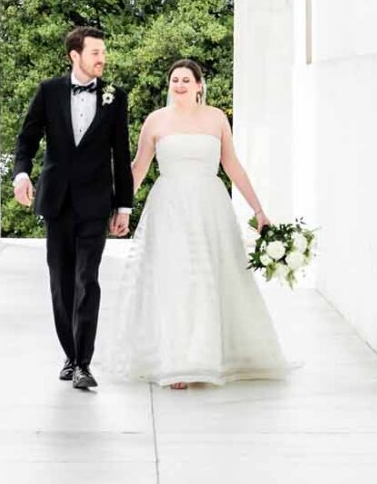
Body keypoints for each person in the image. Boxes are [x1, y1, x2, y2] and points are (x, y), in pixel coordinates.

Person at [108, 59, 290, 388]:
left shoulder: (216, 118)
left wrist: (258, 209)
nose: (179, 85)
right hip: (170, 207)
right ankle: (177, 361)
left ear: (198, 85)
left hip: (210, 207)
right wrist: (121, 209)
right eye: (174, 80)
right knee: (175, 277)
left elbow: (232, 164)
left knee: (210, 276)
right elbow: (139, 168)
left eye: (185, 80)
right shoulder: (156, 121)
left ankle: (206, 355)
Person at [12, 25, 134, 391]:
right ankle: (70, 353)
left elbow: (121, 154)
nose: (102, 58)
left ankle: (83, 362)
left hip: (96, 203)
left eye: (103, 52)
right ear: (74, 55)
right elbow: (27, 138)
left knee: (87, 280)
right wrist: (21, 174)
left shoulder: (115, 97)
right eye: (95, 52)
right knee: (61, 282)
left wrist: (124, 206)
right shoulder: (48, 91)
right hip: (58, 201)